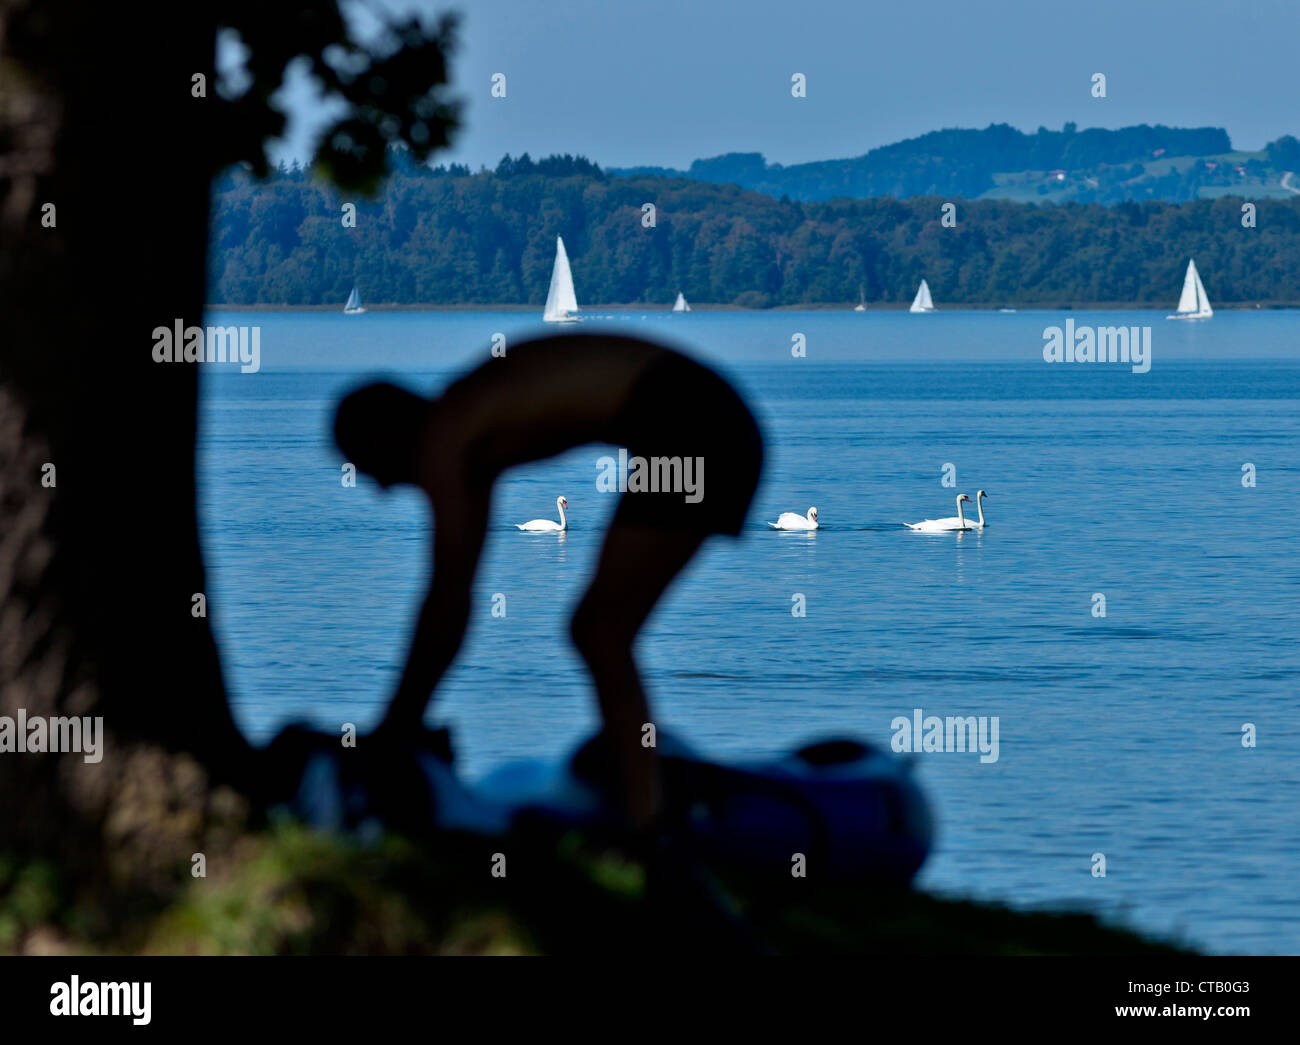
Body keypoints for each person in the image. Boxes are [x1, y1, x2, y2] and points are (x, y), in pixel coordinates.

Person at [333, 332, 764, 833]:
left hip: (691, 421)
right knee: (600, 631)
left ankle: (649, 825)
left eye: (369, 469)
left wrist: (395, 729)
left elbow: (445, 605)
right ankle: (645, 806)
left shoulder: (445, 438)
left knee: (601, 632)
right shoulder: (469, 427)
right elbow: (453, 601)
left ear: (385, 436)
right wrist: (403, 721)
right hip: (700, 414)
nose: (383, 490)